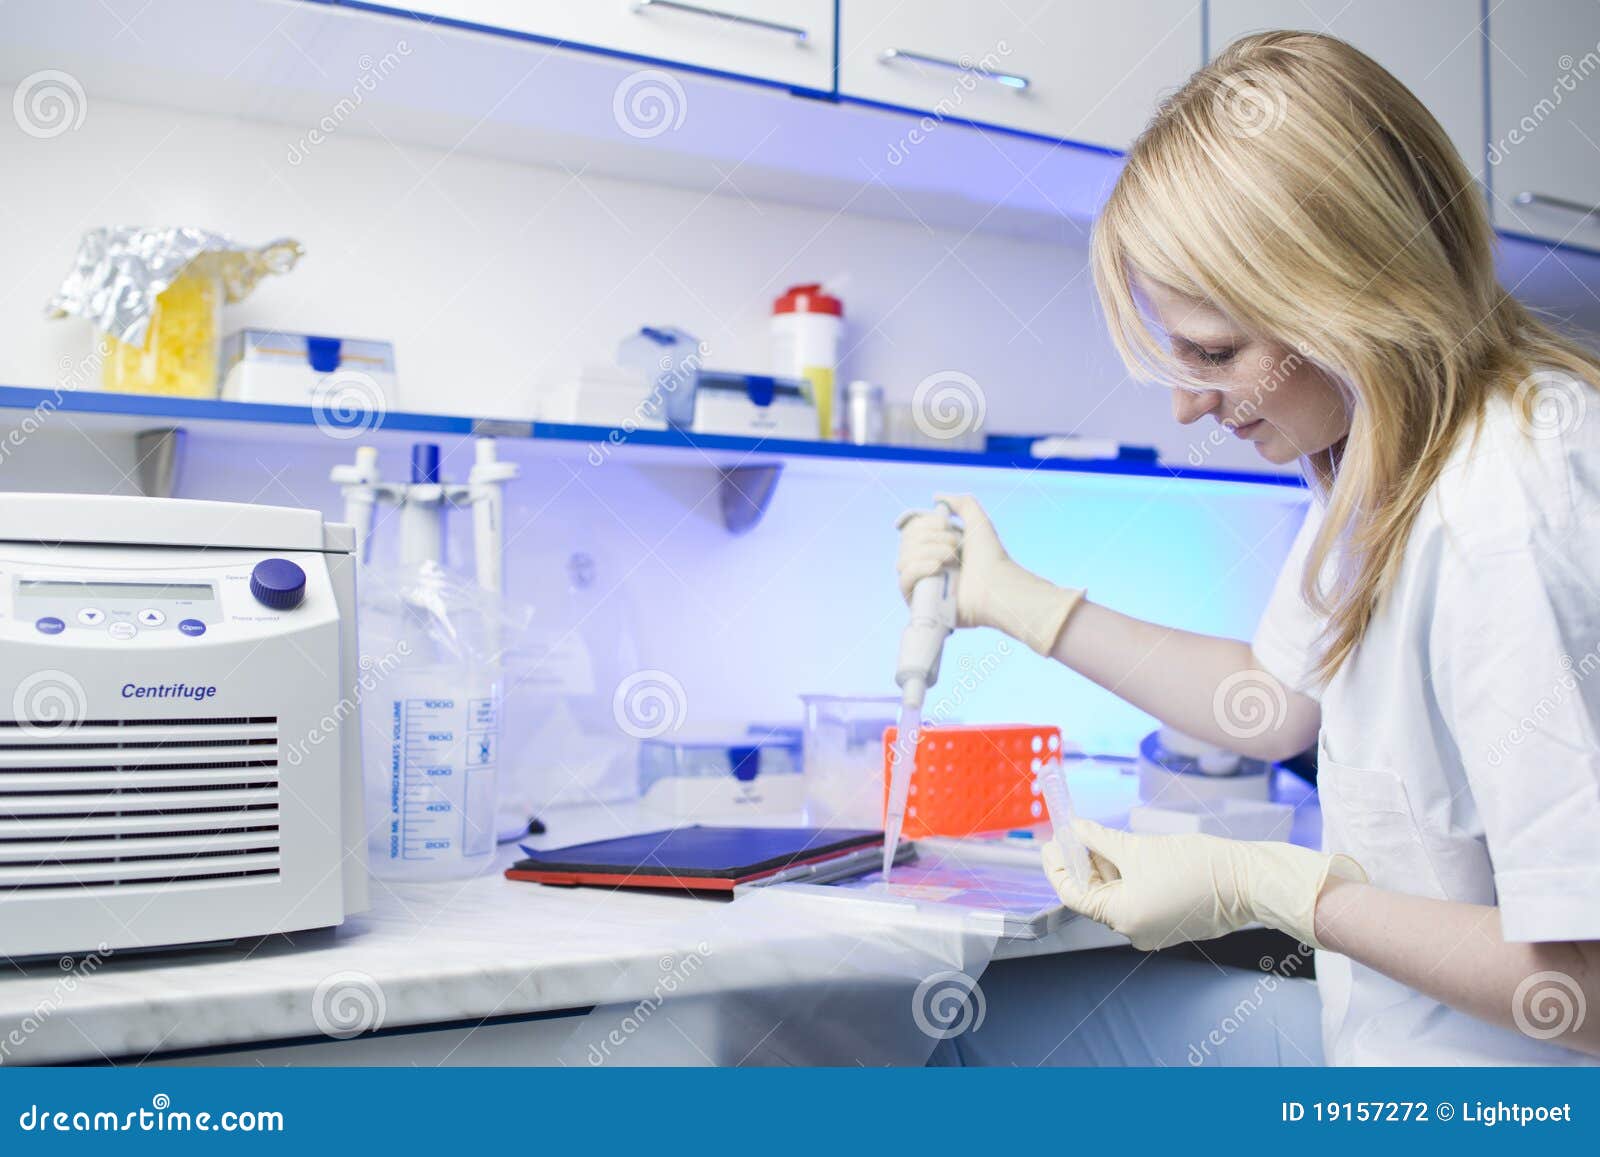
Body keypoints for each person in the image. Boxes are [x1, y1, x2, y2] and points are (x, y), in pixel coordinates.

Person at [898, 31, 1600, 1066]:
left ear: (1352, 295)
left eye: (1215, 353)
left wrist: (1273, 887)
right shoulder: (1382, 455)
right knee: (990, 1025)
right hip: (1392, 1043)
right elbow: (1273, 703)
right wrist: (1016, 600)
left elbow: (1575, 987)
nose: (1186, 401)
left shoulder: (1507, 504)